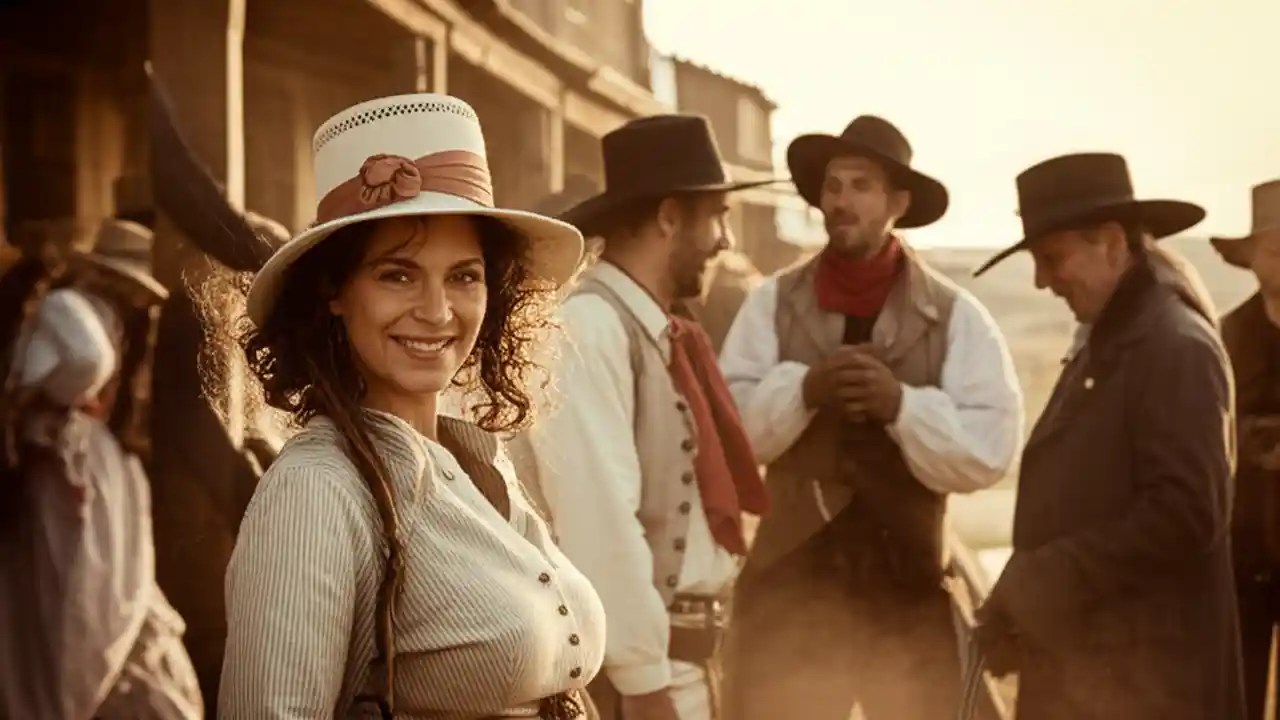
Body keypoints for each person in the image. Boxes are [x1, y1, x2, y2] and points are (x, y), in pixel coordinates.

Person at [216, 93, 604, 719]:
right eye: (397, 275)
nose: (437, 311)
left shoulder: (480, 464)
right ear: (335, 292)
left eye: (463, 276)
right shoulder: (316, 491)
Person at [717, 115, 1023, 720]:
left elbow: (990, 449)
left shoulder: (956, 316)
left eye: (860, 185)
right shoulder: (772, 303)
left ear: (897, 202)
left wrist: (901, 405)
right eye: (833, 186)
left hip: (906, 588)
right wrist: (806, 388)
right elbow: (732, 432)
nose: (841, 201)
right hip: (791, 588)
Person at [973, 152, 1244, 719]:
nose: (1042, 281)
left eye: (1052, 259)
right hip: (1100, 678)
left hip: (1150, 687)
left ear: (1113, 243)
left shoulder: (1175, 347)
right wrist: (1021, 604)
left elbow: (1186, 514)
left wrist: (1042, 579)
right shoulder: (1114, 339)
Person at [523, 114, 773, 720]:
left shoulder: (650, 331)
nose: (725, 242)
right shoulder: (592, 326)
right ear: (668, 217)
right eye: (717, 217)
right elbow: (598, 516)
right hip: (636, 675)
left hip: (685, 659)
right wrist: (644, 682)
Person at [0, 218, 203, 719]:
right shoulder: (66, 307)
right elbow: (84, 360)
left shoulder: (110, 321)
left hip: (94, 467)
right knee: (79, 591)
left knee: (108, 591)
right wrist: (48, 404)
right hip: (70, 463)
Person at [1213, 179, 1280, 720]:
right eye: (1273, 244)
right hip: (1242, 555)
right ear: (1251, 256)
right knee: (1236, 699)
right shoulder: (1225, 338)